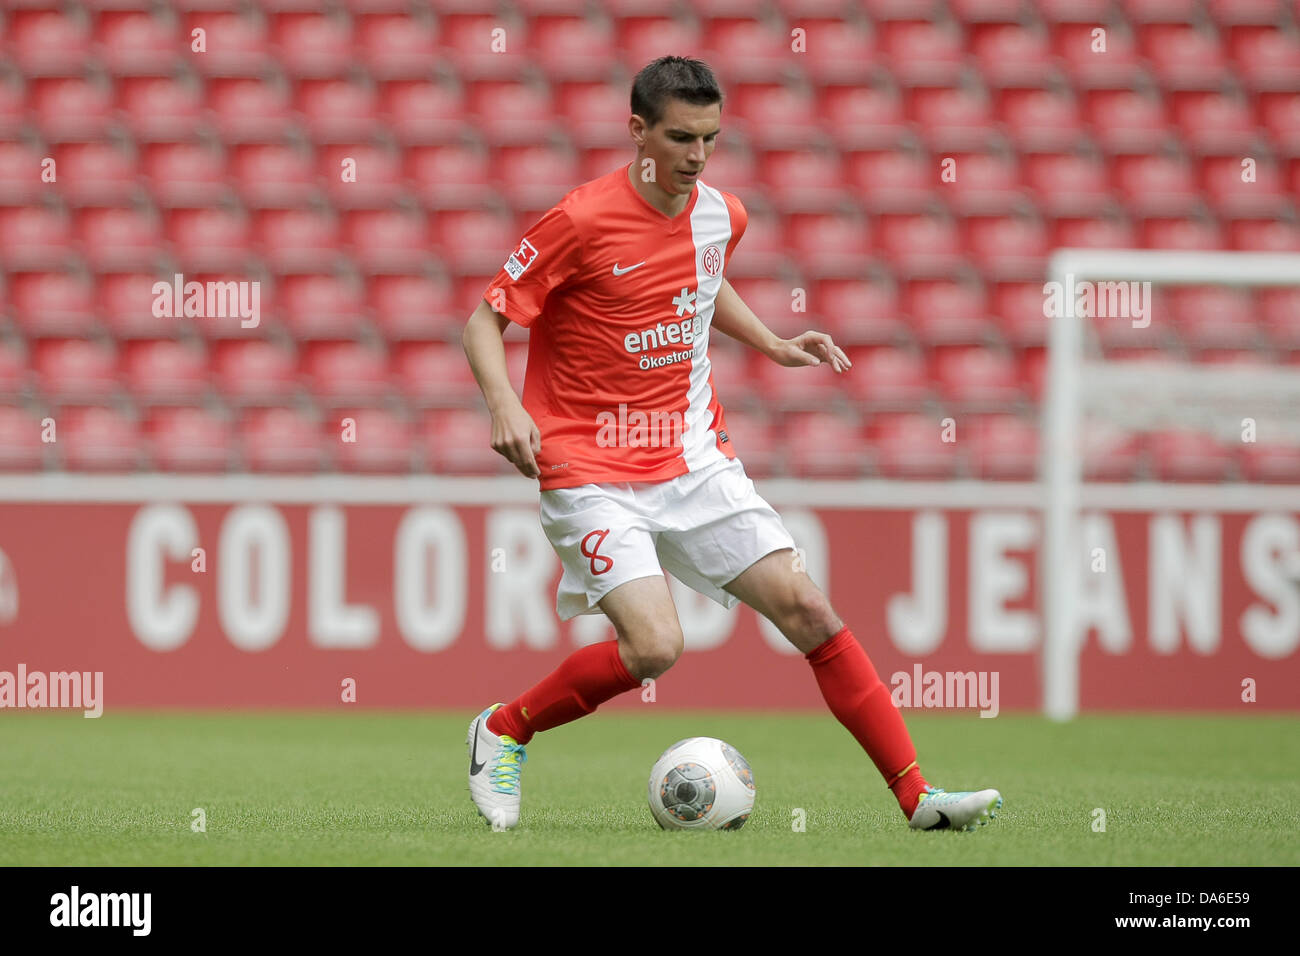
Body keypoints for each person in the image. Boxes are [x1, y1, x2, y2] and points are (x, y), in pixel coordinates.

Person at [460, 56, 1001, 832]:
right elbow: (484, 320)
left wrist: (774, 344)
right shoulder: (579, 221)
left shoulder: (722, 214)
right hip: (589, 464)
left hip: (692, 458)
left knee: (809, 609)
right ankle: (505, 728)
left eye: (711, 139)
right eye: (680, 138)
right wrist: (504, 406)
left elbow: (700, 283)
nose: (697, 156)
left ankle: (920, 799)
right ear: (637, 129)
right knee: (653, 647)